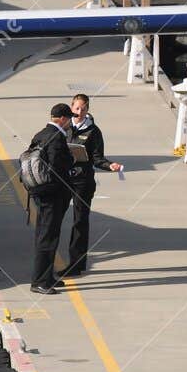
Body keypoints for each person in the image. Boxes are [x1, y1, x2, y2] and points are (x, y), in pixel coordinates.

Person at [63, 92, 123, 279]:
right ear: (71, 108)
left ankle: (76, 264)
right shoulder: (64, 127)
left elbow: (97, 158)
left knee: (80, 222)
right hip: (64, 178)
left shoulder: (93, 132)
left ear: (88, 110)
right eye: (76, 108)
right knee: (55, 219)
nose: (79, 111)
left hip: (83, 181)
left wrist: (109, 165)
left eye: (83, 108)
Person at [28, 104, 76, 293]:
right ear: (63, 119)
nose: (70, 123)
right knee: (48, 238)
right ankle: (39, 281)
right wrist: (71, 160)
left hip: (41, 193)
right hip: (53, 196)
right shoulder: (56, 138)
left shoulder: (40, 134)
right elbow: (58, 167)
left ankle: (47, 277)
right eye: (69, 119)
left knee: (45, 235)